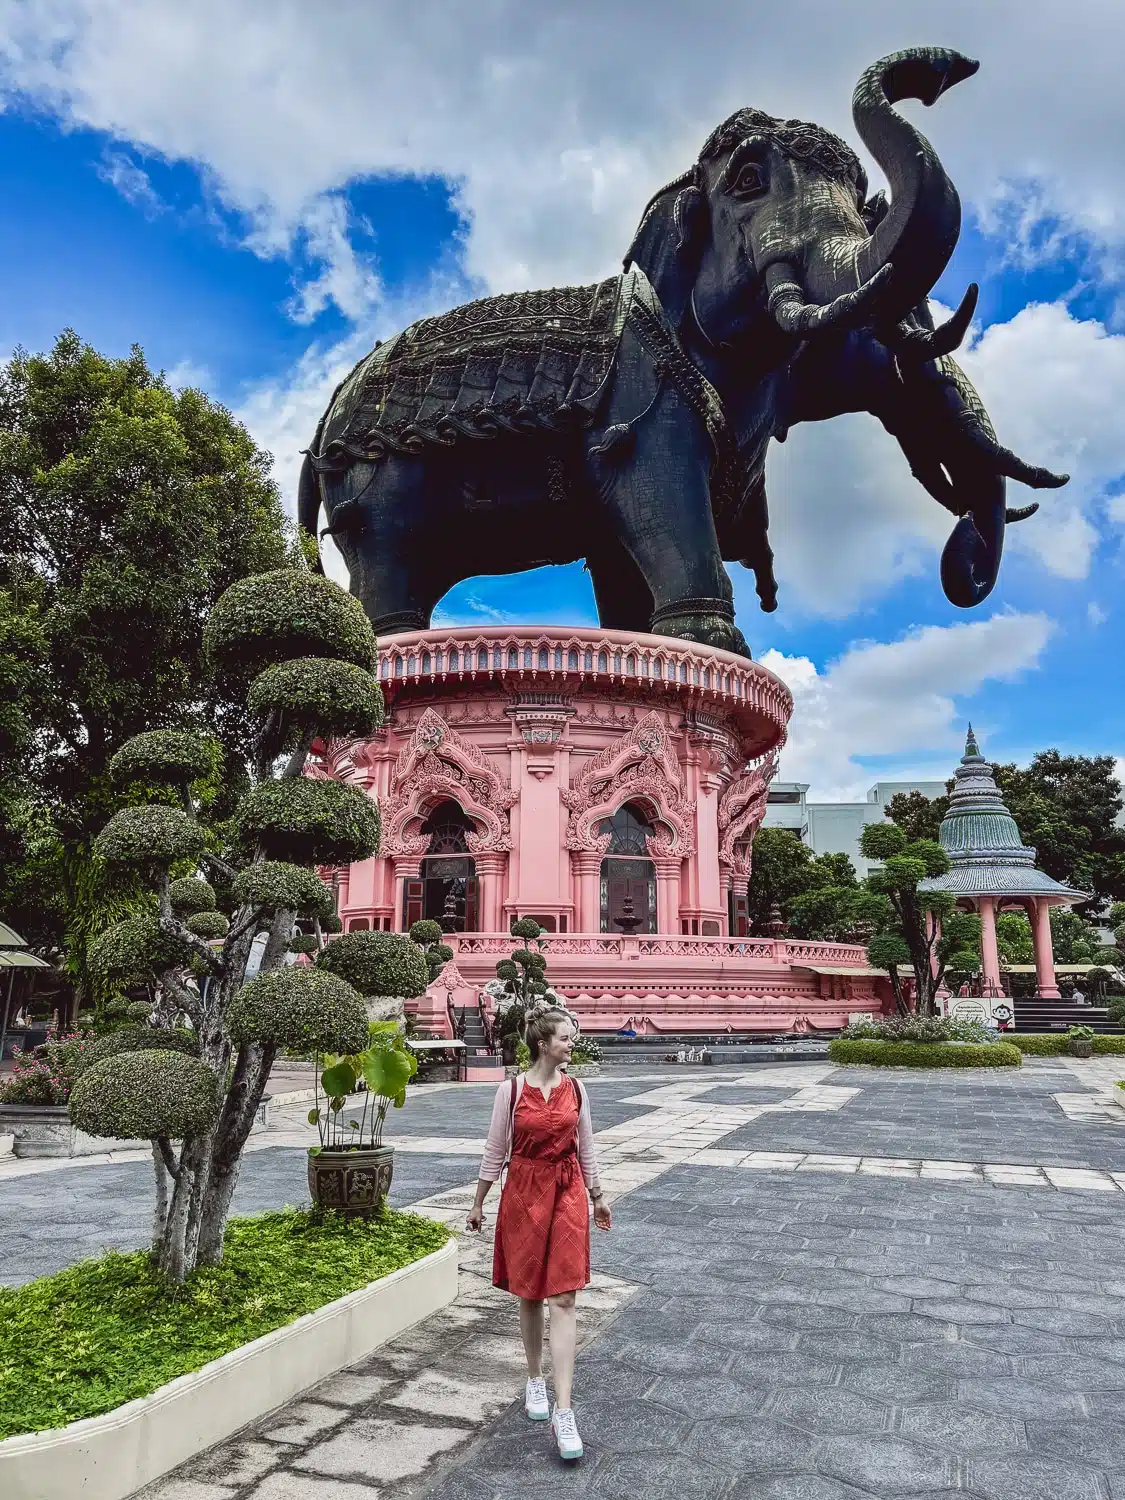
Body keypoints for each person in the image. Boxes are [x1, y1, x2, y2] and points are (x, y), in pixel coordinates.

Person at [466, 1002, 611, 1461]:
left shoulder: (577, 1089)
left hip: (566, 1189)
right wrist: (478, 1201)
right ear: (543, 1044)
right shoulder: (510, 1092)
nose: (573, 1044)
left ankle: (563, 1410)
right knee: (529, 1293)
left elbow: (585, 1145)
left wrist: (598, 1194)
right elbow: (496, 1148)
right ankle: (534, 1377)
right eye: (566, 1038)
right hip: (524, 1191)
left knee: (564, 1297)